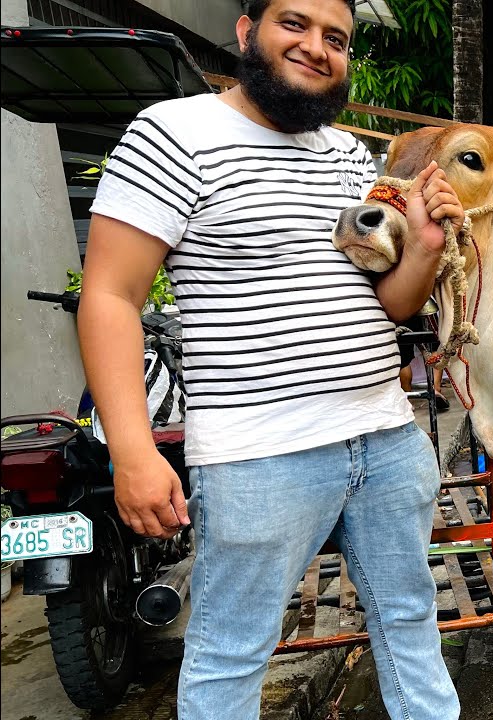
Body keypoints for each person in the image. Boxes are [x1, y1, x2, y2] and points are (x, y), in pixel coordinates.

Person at [78, 1, 463, 718]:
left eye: (336, 38)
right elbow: (110, 295)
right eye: (295, 24)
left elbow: (388, 304)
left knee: (411, 624)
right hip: (258, 457)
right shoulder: (173, 133)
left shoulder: (348, 156)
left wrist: (425, 247)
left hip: (384, 438)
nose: (316, 47)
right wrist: (132, 451)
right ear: (246, 31)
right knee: (231, 655)